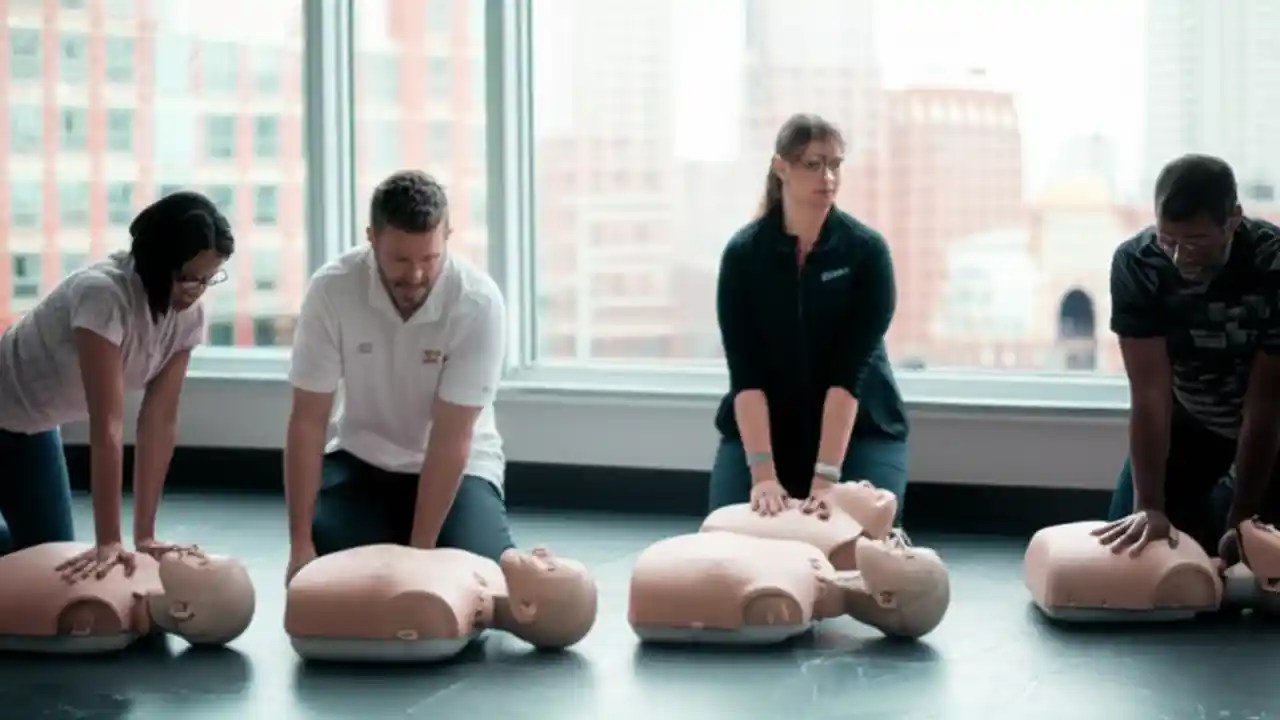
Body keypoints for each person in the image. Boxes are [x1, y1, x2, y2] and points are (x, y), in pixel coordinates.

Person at [283, 170, 511, 584]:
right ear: (372, 238)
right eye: (400, 260)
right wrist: (300, 546)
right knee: (329, 571)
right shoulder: (332, 289)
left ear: (448, 237)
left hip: (459, 465)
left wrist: (419, 558)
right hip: (362, 459)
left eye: (429, 259)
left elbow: (451, 437)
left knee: (476, 574)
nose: (417, 276)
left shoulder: (478, 302)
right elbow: (307, 421)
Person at [0, 191, 233, 577]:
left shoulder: (189, 316)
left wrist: (144, 538)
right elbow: (107, 423)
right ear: (158, 263)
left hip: (34, 428)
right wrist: (108, 539)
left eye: (209, 279)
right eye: (188, 278)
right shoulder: (102, 294)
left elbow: (158, 422)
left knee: (48, 558)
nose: (197, 291)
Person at [708, 113, 910, 521]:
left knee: (858, 538)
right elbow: (745, 374)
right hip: (769, 429)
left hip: (860, 431)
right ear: (780, 167)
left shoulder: (867, 252)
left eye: (835, 164)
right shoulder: (744, 255)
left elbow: (847, 375)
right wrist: (762, 474)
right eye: (812, 164)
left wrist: (826, 480)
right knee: (729, 534)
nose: (828, 177)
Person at [1094, 153, 1280, 562]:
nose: (1179, 257)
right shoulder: (1138, 263)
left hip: (1269, 429)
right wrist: (1148, 505)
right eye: (1168, 240)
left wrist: (1243, 516)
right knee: (1134, 551)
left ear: (1233, 220)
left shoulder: (1273, 263)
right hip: (1190, 421)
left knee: (1257, 561)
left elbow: (1264, 405)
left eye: (1195, 241)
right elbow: (1149, 394)